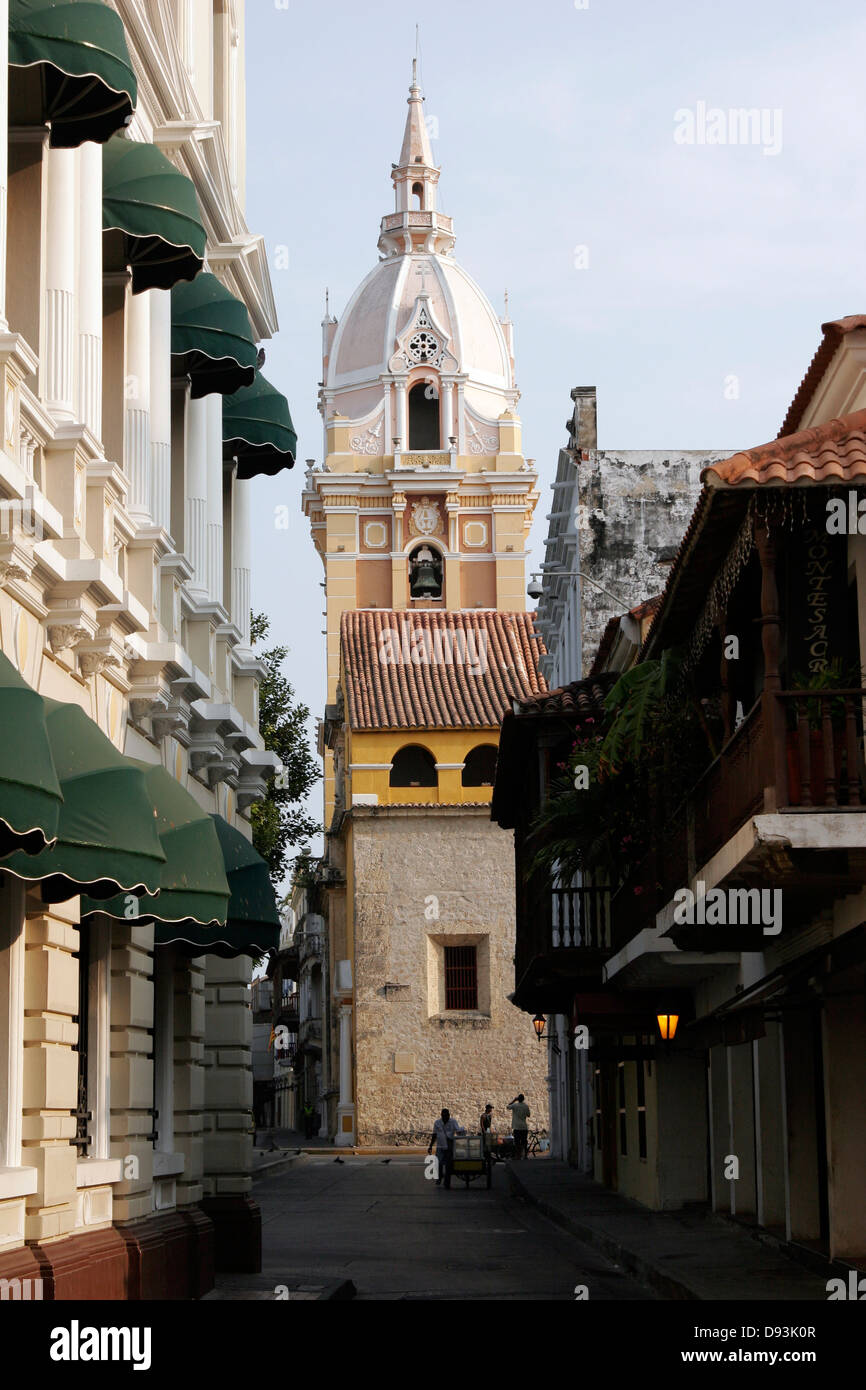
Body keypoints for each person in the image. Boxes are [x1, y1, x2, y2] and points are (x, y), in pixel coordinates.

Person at [427, 1107, 465, 1189]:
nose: (445, 1118)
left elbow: (458, 1130)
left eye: (446, 1116)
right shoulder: (437, 1123)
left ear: (449, 1115)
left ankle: (447, 1183)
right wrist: (430, 1146)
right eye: (443, 1116)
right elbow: (434, 1134)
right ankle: (439, 1177)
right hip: (440, 1145)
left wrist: (462, 1131)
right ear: (441, 1116)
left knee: (448, 1165)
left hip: (449, 1144)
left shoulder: (453, 1121)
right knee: (439, 1163)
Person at [506, 1093, 530, 1159]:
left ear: (518, 1099)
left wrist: (514, 1100)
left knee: (517, 1142)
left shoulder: (515, 1105)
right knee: (524, 1141)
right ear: (523, 1099)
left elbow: (507, 1107)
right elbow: (528, 1115)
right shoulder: (526, 1106)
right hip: (524, 1127)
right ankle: (525, 1155)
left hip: (517, 1127)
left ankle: (518, 1156)